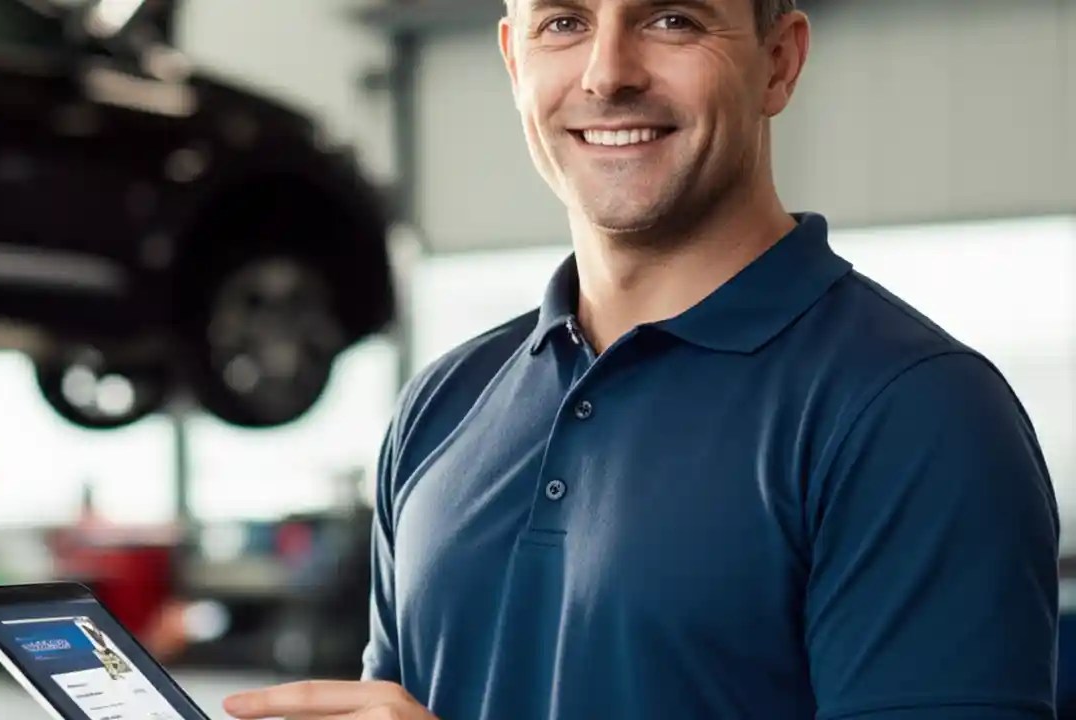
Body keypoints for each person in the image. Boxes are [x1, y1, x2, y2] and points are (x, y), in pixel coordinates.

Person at [223, 0, 1060, 717]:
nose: (606, 73)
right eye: (563, 22)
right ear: (516, 60)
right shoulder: (441, 406)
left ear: (778, 62)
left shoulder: (915, 415)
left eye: (670, 18)